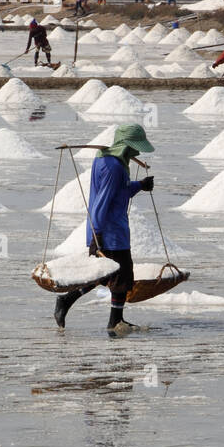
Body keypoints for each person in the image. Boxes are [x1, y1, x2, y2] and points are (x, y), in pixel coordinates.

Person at [52, 124, 156, 331]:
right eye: (134, 147)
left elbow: (120, 191)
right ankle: (102, 315)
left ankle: (74, 303)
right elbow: (102, 200)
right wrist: (96, 235)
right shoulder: (113, 166)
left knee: (110, 274)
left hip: (113, 229)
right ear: (125, 145)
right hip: (110, 231)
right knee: (119, 274)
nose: (136, 152)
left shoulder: (108, 160)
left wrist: (140, 185)